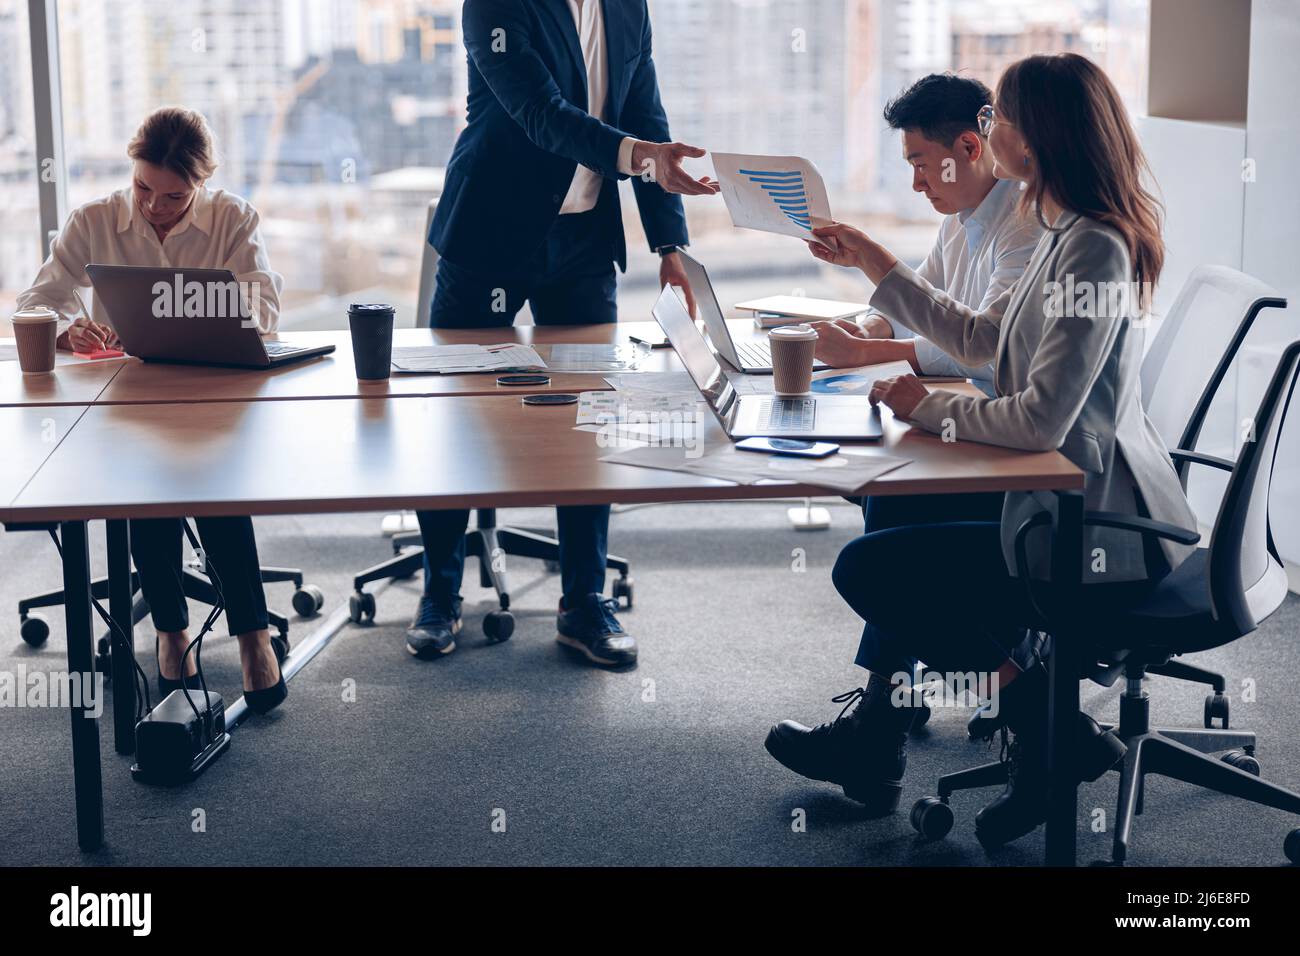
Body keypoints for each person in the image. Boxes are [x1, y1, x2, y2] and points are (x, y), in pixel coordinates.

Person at [769, 53, 1198, 847]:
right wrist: (874, 262)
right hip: (1057, 496)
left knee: (872, 569)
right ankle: (1027, 735)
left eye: (1000, 116)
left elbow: (1038, 423)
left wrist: (925, 405)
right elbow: (982, 340)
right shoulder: (1063, 232)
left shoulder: (1093, 249)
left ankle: (1043, 728)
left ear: (1037, 136)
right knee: (893, 513)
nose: (988, 126)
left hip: (1092, 526)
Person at [407, 0, 717, 668]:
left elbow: (646, 117)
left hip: (583, 242)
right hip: (489, 230)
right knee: (456, 413)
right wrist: (638, 155)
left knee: (590, 414)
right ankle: (439, 592)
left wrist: (670, 243)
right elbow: (539, 113)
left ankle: (583, 601)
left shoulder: (627, 8)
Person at [765, 78, 1041, 780]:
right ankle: (888, 712)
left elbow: (979, 345)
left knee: (891, 510)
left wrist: (871, 347)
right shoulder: (963, 219)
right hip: (1000, 438)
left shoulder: (1025, 229)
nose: (915, 182)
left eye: (921, 163)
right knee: (891, 490)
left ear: (969, 147)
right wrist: (864, 327)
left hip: (1034, 468)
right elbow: (920, 303)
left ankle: (889, 723)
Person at [17, 107, 287, 714]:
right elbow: (38, 301)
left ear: (201, 183)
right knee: (145, 478)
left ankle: (252, 635)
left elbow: (266, 312)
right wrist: (67, 330)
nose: (154, 206)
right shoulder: (95, 220)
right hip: (129, 399)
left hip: (211, 393)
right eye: (143, 188)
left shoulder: (232, 217)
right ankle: (171, 631)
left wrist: (192, 306)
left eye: (173, 196)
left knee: (211, 479)